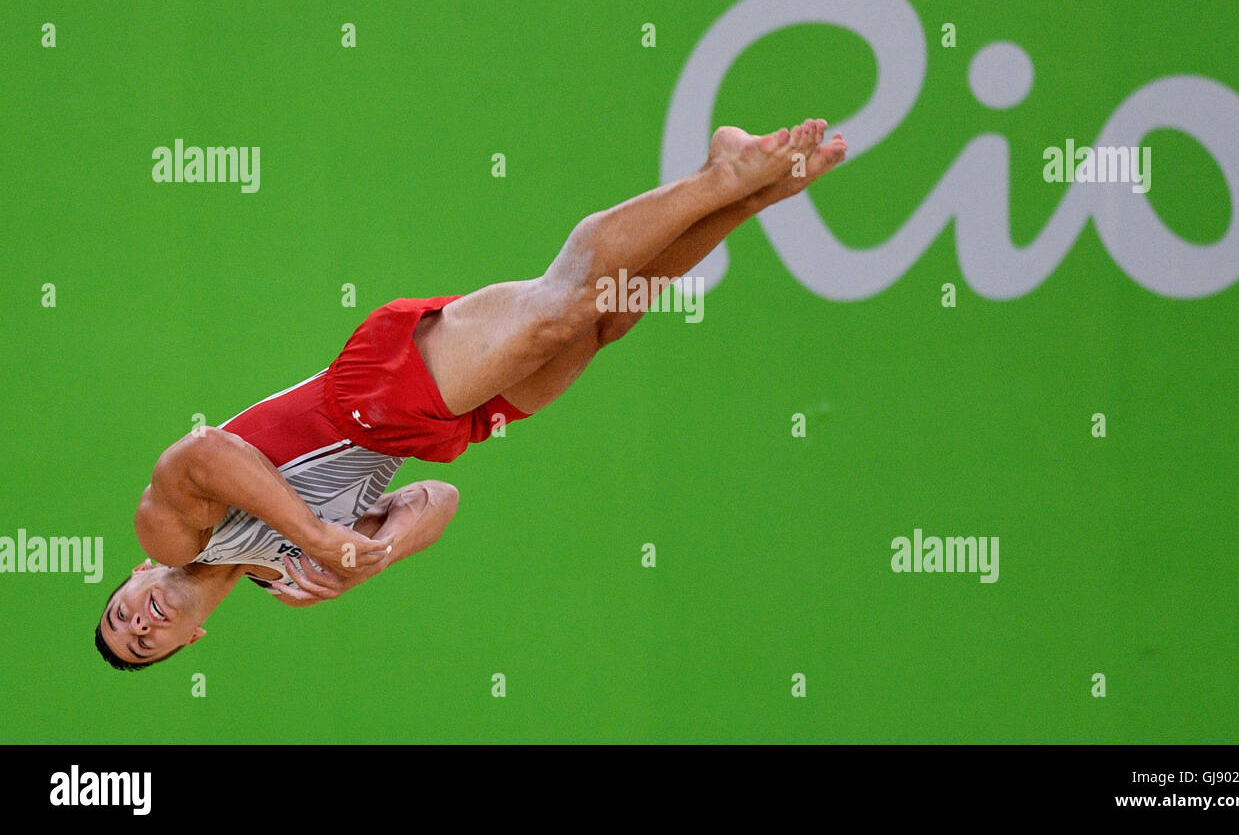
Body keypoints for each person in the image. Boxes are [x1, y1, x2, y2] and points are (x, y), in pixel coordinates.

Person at [95, 120, 848, 668]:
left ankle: (718, 178)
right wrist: (376, 553)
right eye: (144, 643)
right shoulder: (281, 577)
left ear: (134, 580)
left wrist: (323, 537)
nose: (141, 623)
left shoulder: (169, 540)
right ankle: (744, 199)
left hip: (367, 399)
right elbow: (438, 500)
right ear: (191, 641)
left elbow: (206, 453)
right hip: (428, 432)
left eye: (122, 614)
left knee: (562, 305)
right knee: (603, 320)